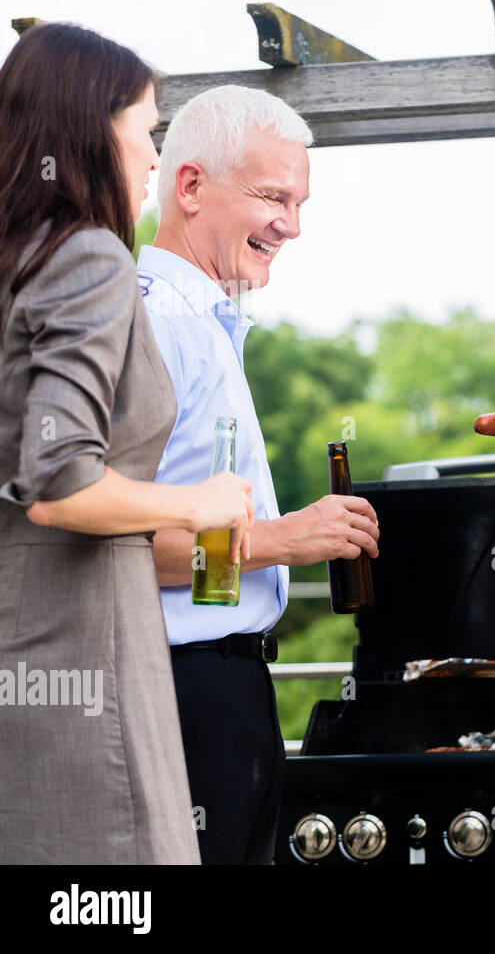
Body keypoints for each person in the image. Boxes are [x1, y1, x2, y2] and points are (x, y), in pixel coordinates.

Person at [0, 24, 254, 864]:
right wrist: (201, 502)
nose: (151, 158)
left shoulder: (20, 262)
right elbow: (59, 482)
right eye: (144, 131)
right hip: (84, 655)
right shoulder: (88, 259)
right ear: (89, 126)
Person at [139, 85, 381, 864]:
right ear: (190, 186)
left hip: (224, 689)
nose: (293, 223)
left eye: (300, 201)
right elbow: (111, 543)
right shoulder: (153, 324)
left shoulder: (206, 322)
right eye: (272, 196)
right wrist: (279, 539)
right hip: (183, 692)